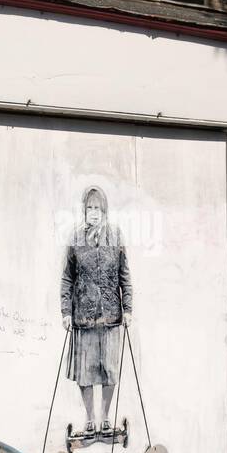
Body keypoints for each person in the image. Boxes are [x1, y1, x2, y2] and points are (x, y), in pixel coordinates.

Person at [60, 185, 133, 438]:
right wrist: (66, 313)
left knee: (109, 371)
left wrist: (129, 309)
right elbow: (67, 279)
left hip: (112, 318)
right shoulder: (76, 239)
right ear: (84, 211)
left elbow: (125, 276)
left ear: (104, 211)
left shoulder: (115, 236)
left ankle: (105, 417)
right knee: (86, 372)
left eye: (97, 208)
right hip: (83, 318)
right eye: (89, 208)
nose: (93, 213)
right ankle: (90, 418)